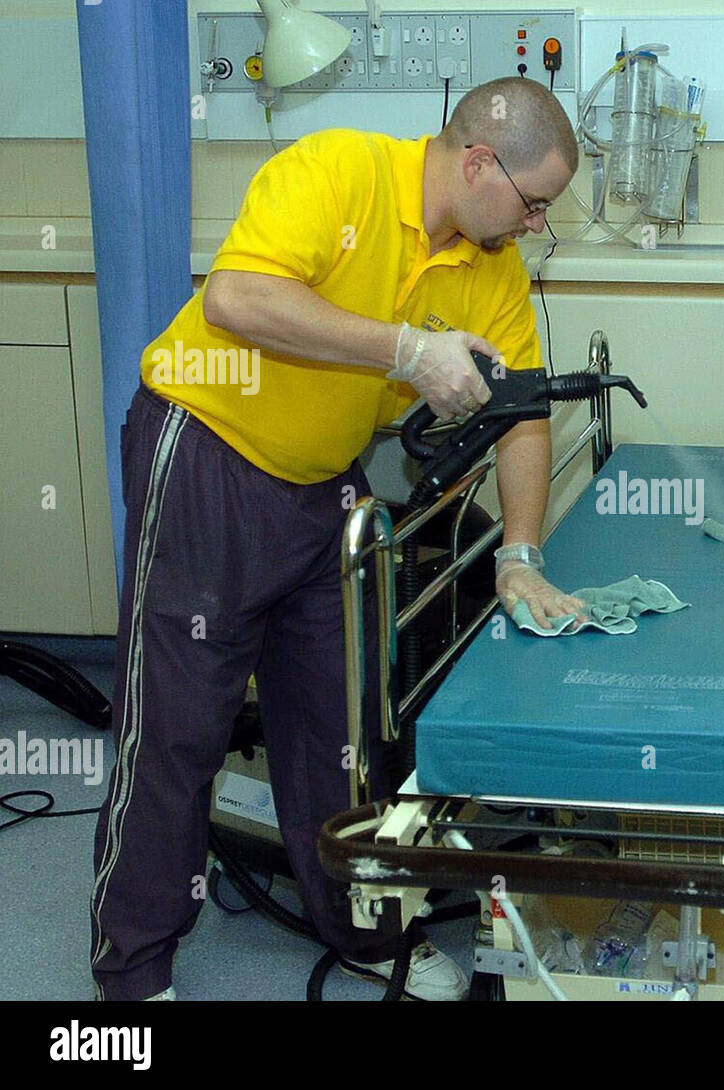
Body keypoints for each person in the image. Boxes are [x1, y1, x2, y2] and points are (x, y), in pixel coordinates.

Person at [91, 77, 587, 1000]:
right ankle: (133, 971)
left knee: (343, 728)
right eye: (534, 205)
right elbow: (238, 296)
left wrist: (519, 551)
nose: (535, 227)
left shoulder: (493, 267)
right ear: (479, 162)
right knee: (177, 725)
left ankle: (363, 930)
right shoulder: (338, 170)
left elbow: (523, 413)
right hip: (209, 452)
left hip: (326, 489)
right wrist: (405, 349)